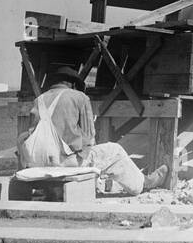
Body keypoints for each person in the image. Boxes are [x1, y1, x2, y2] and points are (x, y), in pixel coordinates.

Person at [20, 66, 167, 193]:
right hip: (64, 162)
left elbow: (32, 134)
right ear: (71, 83)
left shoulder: (38, 100)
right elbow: (90, 137)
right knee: (114, 150)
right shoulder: (79, 97)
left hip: (36, 162)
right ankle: (144, 183)